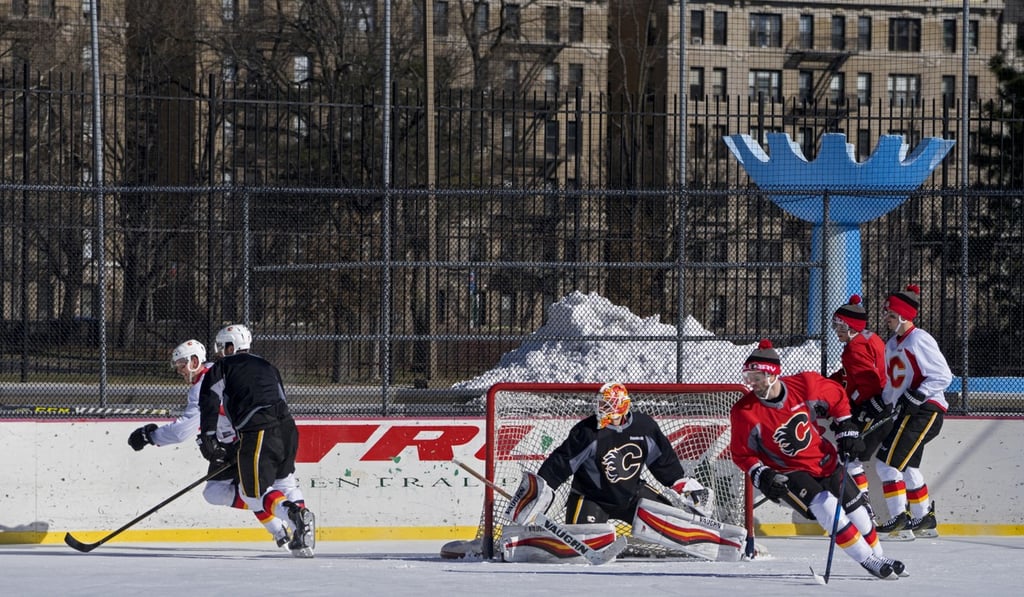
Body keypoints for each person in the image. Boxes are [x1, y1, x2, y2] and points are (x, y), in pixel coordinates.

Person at [503, 382, 743, 562]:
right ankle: (529, 544)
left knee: (673, 519)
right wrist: (539, 490)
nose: (601, 410)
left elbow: (663, 462)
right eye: (601, 404)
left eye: (607, 405)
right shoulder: (587, 432)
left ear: (622, 406)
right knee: (580, 545)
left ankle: (715, 543)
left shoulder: (644, 427)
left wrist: (684, 486)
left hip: (631, 494)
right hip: (591, 498)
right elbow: (561, 462)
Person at [730, 339, 906, 580]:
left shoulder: (805, 385)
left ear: (772, 374)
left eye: (757, 377)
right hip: (791, 471)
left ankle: (879, 557)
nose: (752, 383)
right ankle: (868, 560)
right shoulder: (744, 412)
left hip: (824, 459)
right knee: (827, 506)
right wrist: (760, 473)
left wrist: (845, 426)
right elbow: (742, 453)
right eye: (749, 377)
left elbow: (837, 396)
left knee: (858, 511)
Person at [128, 339, 291, 548]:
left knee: (247, 490)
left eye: (182, 364)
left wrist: (149, 436)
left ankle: (283, 522)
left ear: (195, 361)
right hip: (238, 439)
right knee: (216, 491)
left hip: (241, 441)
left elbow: (182, 430)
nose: (179, 370)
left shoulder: (203, 384)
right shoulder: (217, 371)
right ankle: (279, 528)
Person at [197, 324, 316, 558]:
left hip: (258, 430)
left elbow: (209, 401)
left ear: (231, 346)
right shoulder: (267, 364)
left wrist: (209, 438)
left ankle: (294, 514)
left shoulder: (222, 367)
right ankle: (302, 538)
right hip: (288, 427)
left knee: (252, 492)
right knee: (285, 483)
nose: (219, 352)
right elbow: (280, 395)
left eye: (222, 346)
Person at [869, 285, 952, 540]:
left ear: (904, 316)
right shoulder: (892, 344)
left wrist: (918, 395)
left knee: (886, 464)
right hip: (909, 412)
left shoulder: (919, 339)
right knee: (907, 467)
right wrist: (883, 403)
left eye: (891, 314)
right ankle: (923, 519)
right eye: (886, 313)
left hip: (925, 411)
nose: (886, 318)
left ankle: (899, 521)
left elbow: (943, 376)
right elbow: (895, 385)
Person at [828, 294, 890, 504]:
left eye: (840, 326)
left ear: (851, 327)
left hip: (873, 409)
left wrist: (851, 404)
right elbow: (851, 375)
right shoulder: (869, 338)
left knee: (850, 455)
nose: (836, 330)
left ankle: (862, 506)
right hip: (882, 406)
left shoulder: (855, 348)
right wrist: (830, 384)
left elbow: (869, 384)